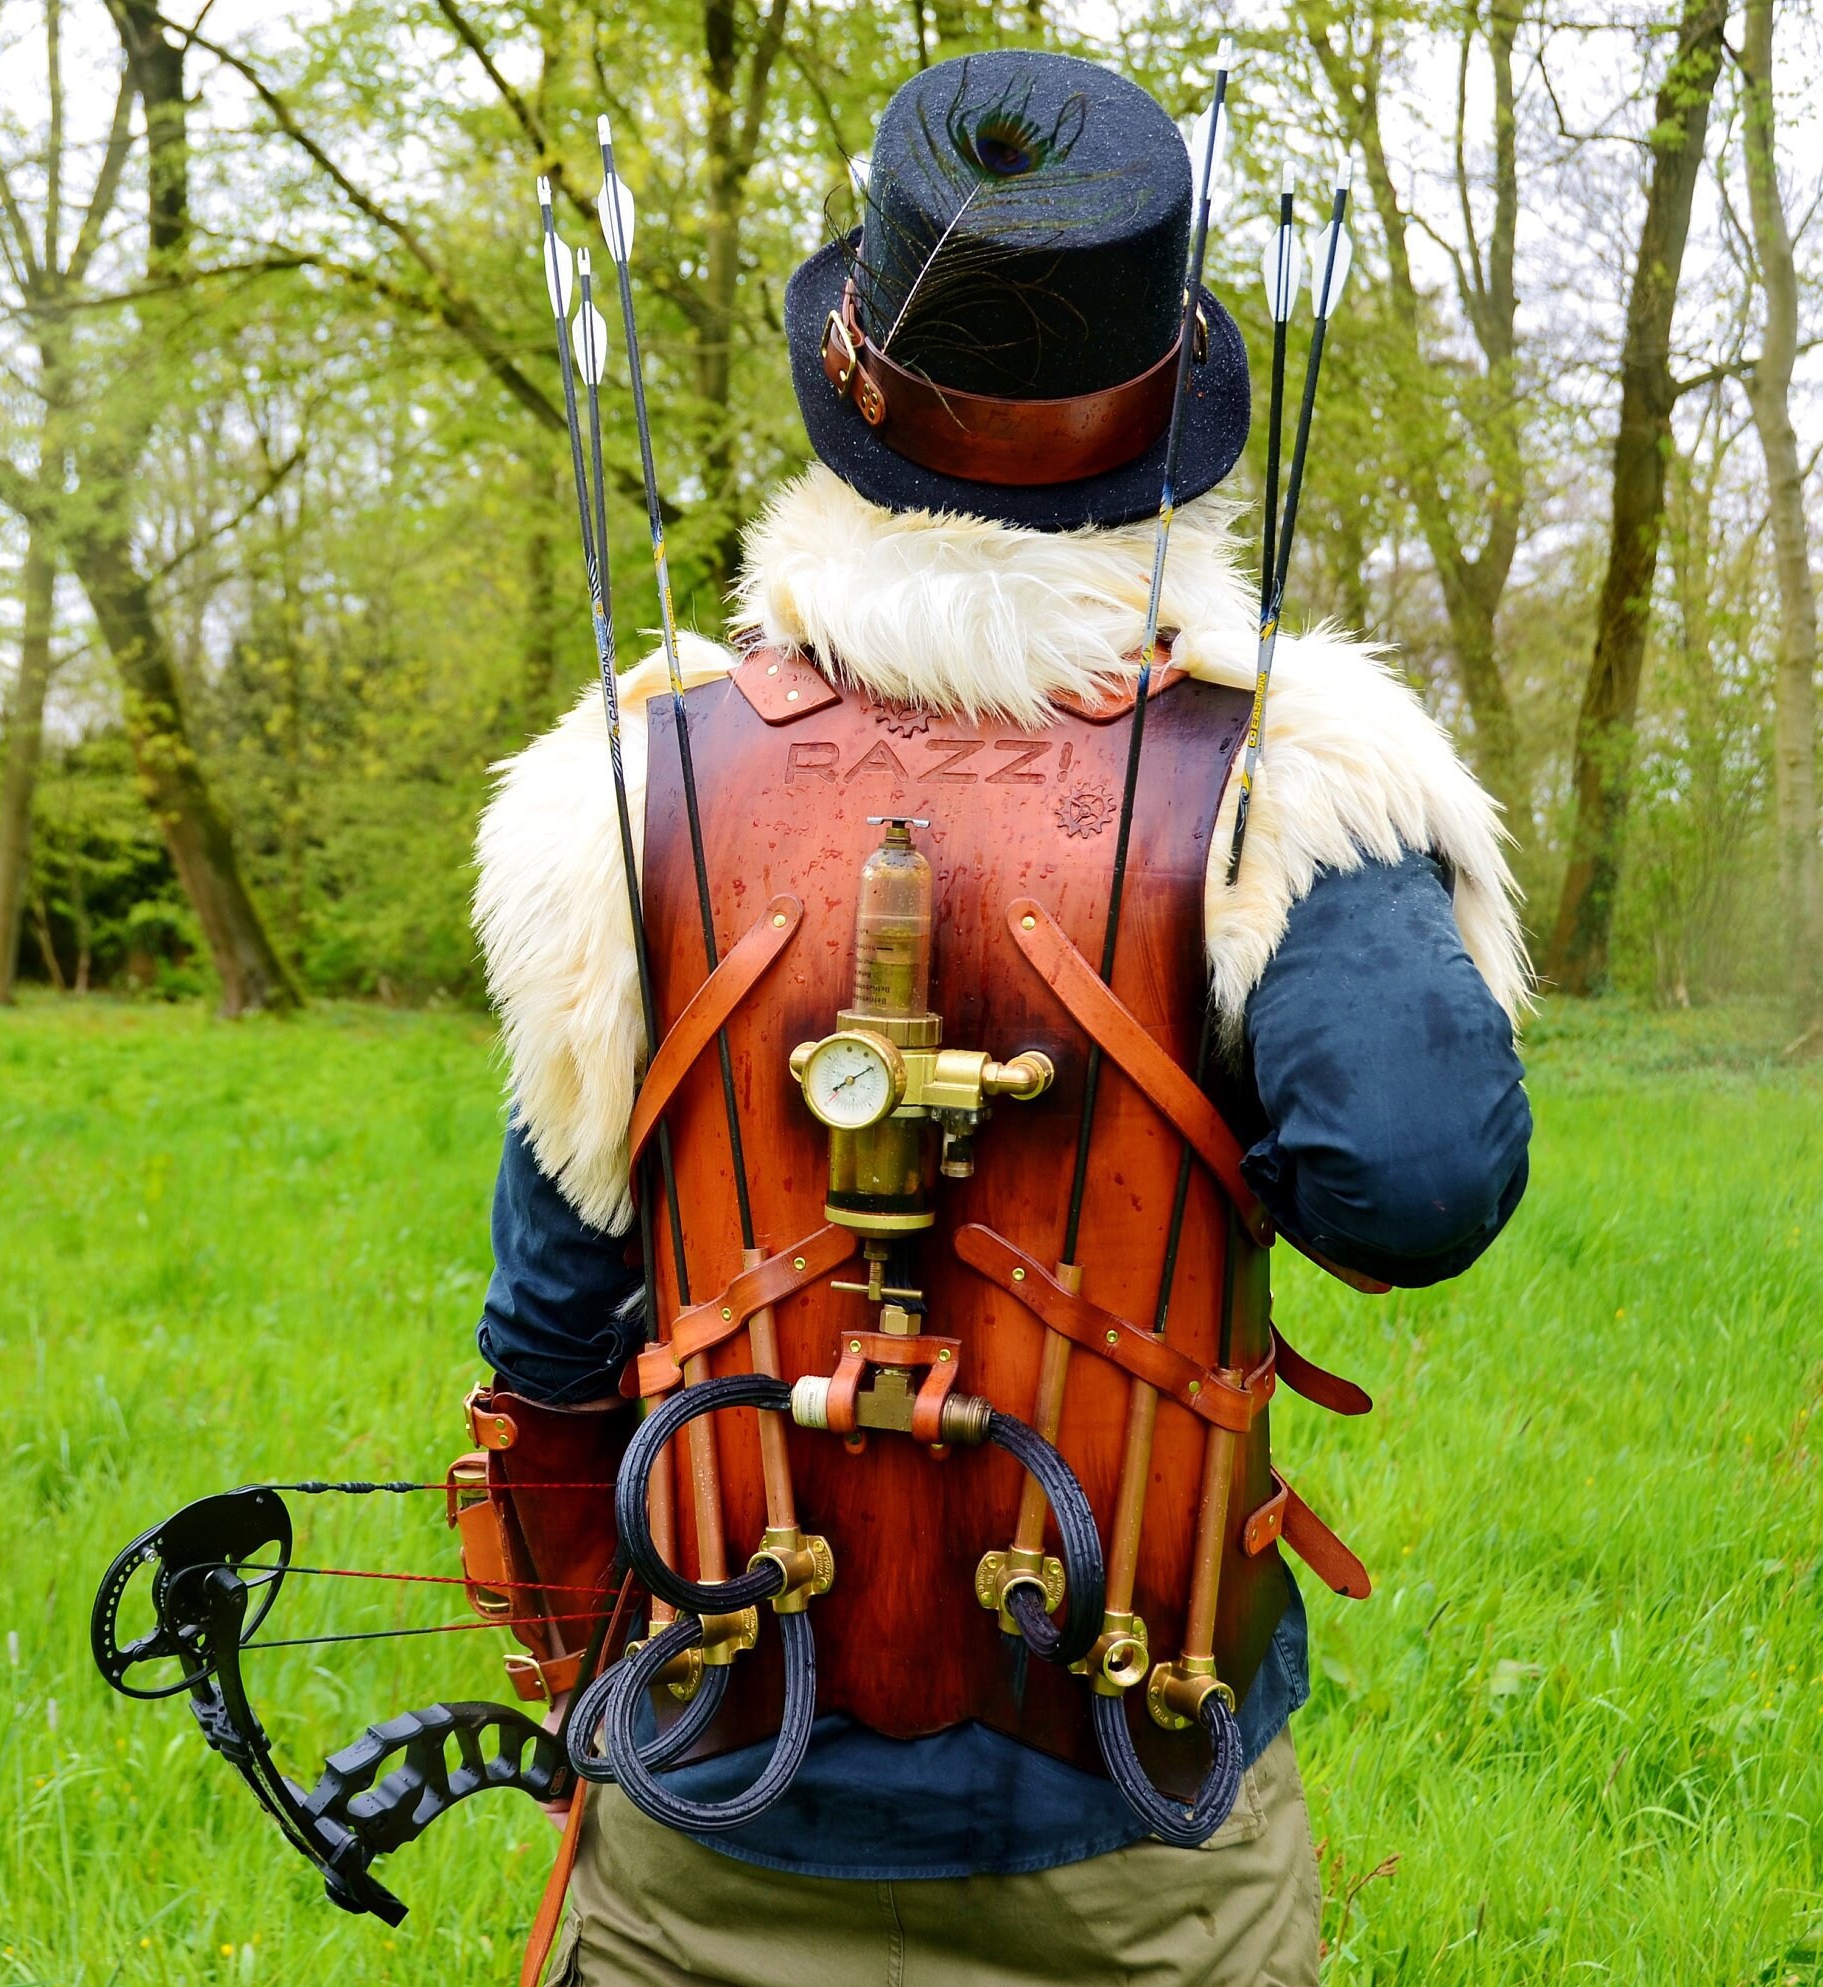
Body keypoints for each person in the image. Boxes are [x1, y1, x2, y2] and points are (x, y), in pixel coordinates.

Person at [465, 50, 1530, 1987]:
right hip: (1139, 1863)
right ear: (1163, 421)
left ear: (856, 391)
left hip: (711, 1840)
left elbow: (552, 1320)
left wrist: (568, 1636)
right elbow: (1415, 1179)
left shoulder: (630, 789)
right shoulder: (1286, 783)